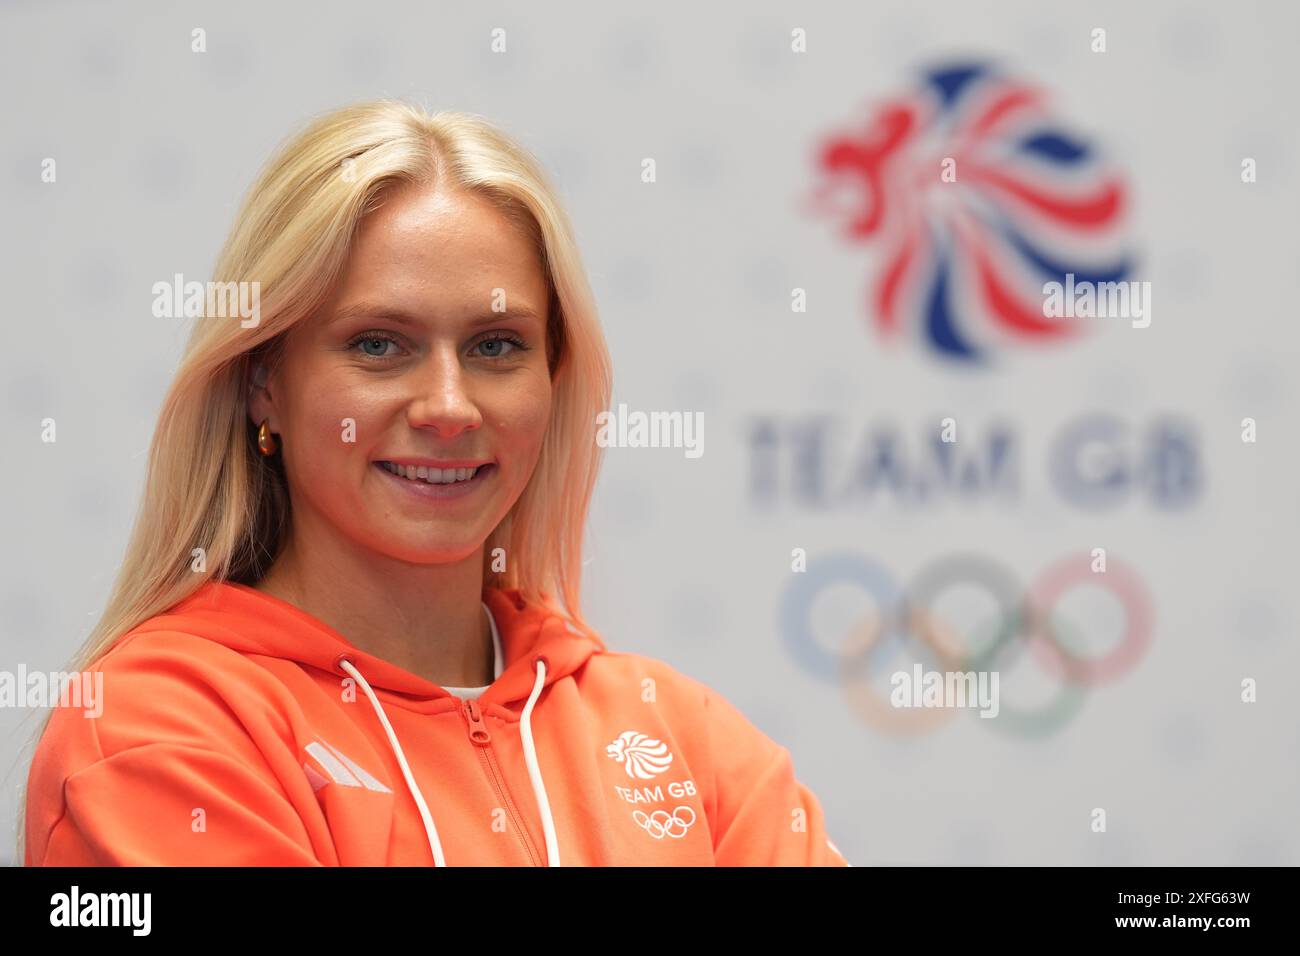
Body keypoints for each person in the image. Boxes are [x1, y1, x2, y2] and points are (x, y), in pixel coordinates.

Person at [20, 100, 850, 867]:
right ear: (263, 378)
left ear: (554, 378)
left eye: (496, 346)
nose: (450, 407)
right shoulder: (157, 728)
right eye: (380, 344)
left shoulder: (682, 737)